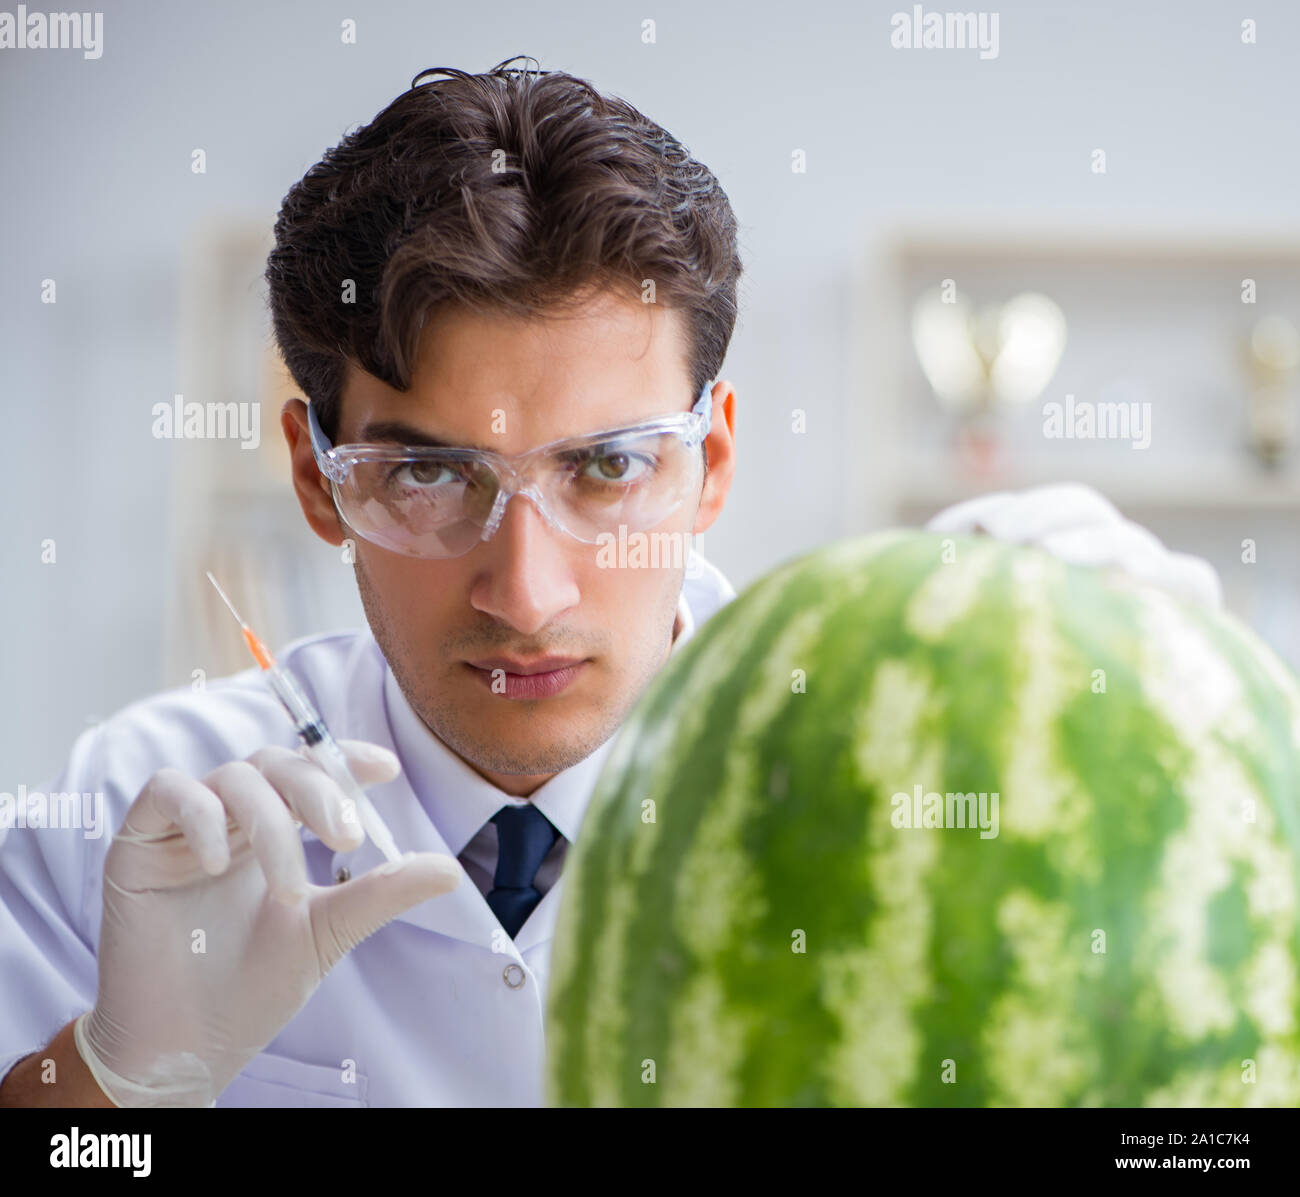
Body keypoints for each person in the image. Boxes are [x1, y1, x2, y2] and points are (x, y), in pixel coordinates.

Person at [0, 58, 1221, 1108]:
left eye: (606, 466)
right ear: (319, 483)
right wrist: (109, 1085)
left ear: (710, 466)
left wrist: (1176, 808)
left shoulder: (920, 788)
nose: (525, 595)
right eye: (429, 474)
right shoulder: (129, 827)